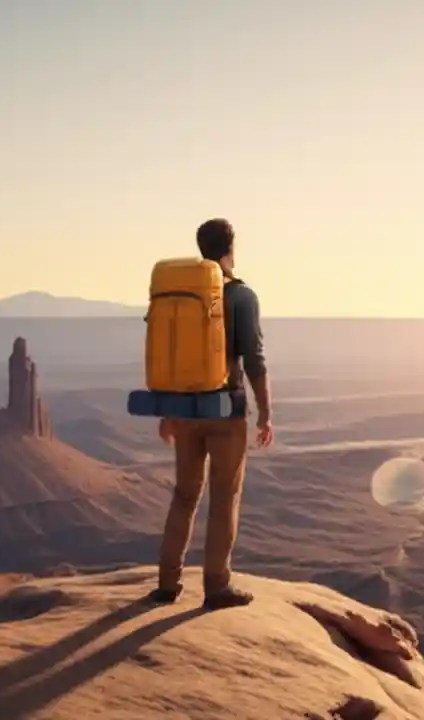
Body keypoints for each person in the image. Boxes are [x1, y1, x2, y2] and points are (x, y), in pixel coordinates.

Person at [150, 218, 273, 609]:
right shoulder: (241, 295)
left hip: (186, 409)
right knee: (223, 499)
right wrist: (265, 413)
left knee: (184, 496)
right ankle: (217, 587)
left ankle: (167, 583)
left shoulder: (184, 292)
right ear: (230, 248)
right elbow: (254, 359)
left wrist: (168, 410)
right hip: (226, 411)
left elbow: (171, 355)